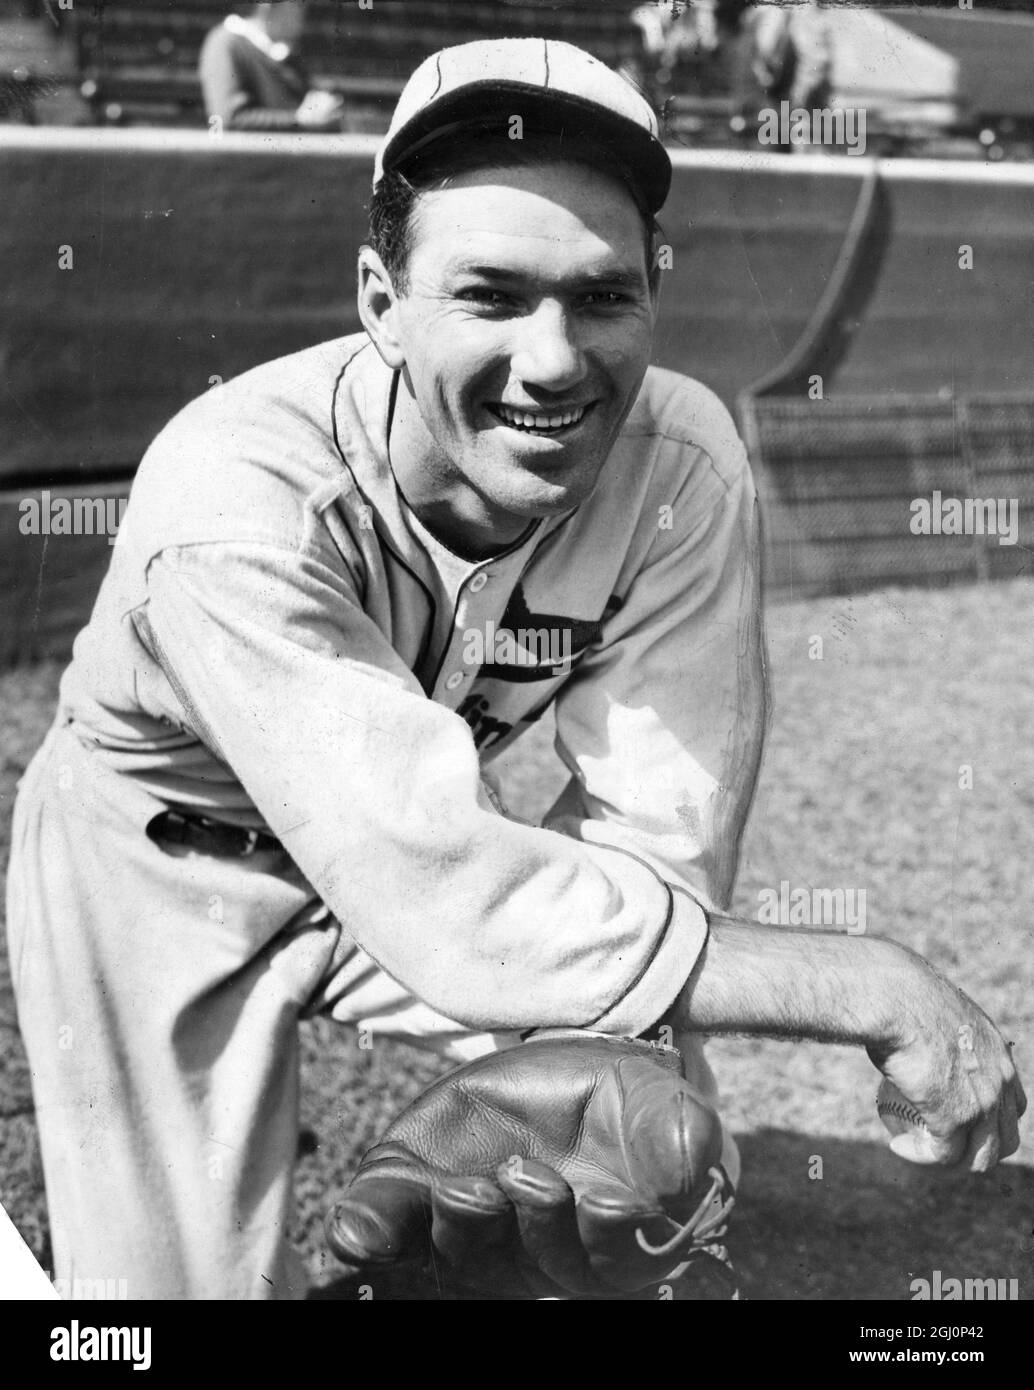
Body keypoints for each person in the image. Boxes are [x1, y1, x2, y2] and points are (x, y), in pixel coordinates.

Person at [6, 37, 1024, 1301]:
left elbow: (653, 854)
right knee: (154, 1316)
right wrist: (861, 981)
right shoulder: (234, 491)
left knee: (644, 1134)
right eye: (488, 294)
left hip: (423, 844)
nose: (553, 360)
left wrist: (598, 1059)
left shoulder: (681, 464)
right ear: (380, 303)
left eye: (600, 297)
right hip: (158, 865)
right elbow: (436, 879)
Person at [199, 1, 343, 132]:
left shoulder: (282, 51)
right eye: (298, 4)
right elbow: (229, 119)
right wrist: (299, 120)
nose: (303, 12)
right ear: (267, 6)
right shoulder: (226, 43)